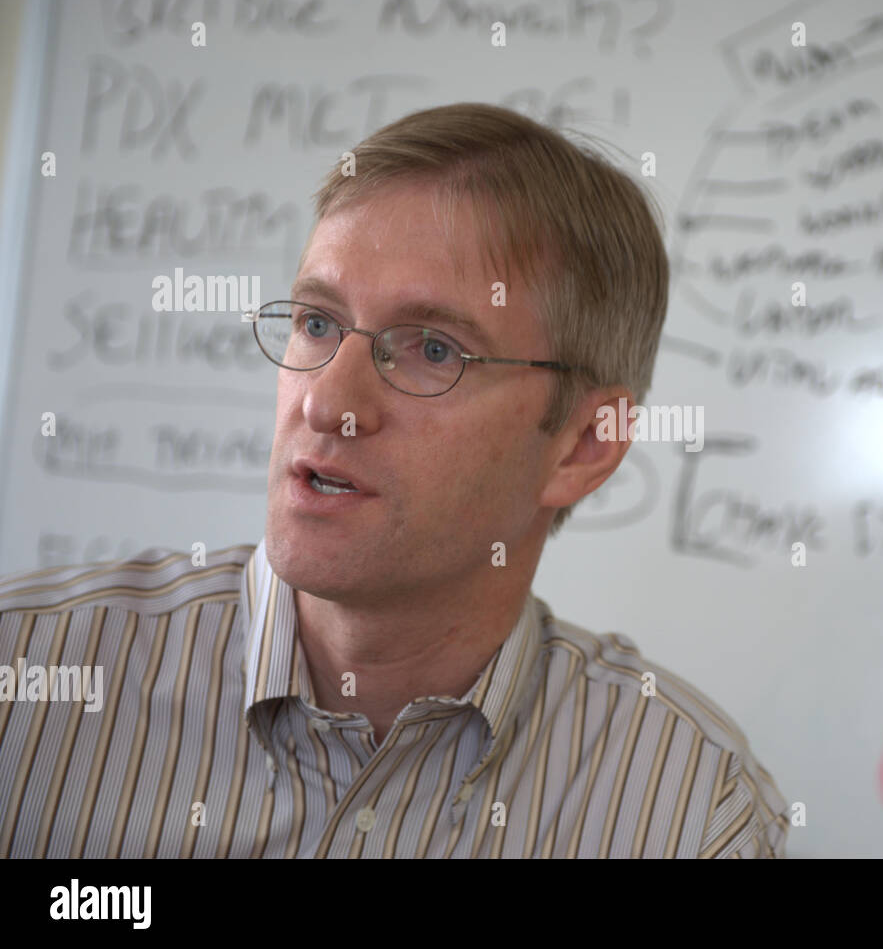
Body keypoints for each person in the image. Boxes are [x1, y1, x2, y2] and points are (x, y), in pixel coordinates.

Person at [0, 103, 788, 858]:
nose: (325, 401)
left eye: (432, 350)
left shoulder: (688, 809)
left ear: (583, 444)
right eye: (317, 323)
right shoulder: (27, 682)